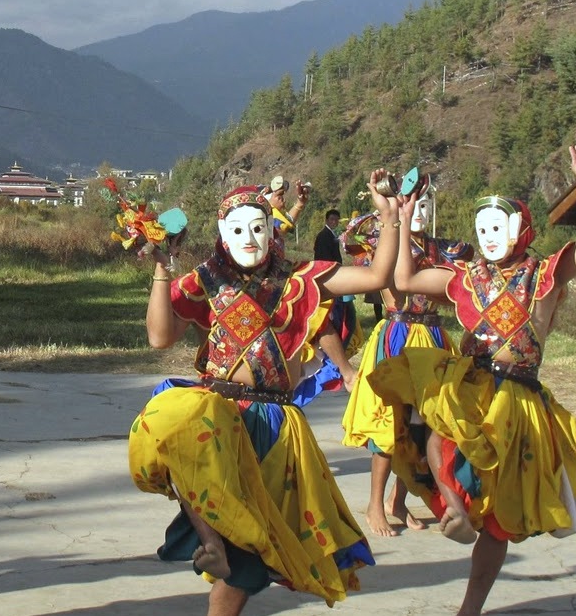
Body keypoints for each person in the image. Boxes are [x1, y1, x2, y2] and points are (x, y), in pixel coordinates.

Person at [128, 172, 407, 614]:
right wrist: (163, 269)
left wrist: (391, 216)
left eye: (258, 227)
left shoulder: (300, 278)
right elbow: (160, 337)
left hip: (275, 423)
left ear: (272, 228)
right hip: (217, 412)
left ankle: (217, 549)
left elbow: (376, 276)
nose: (249, 238)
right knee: (176, 435)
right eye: (237, 229)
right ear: (222, 233)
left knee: (255, 551)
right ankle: (210, 541)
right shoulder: (206, 280)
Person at [366, 145, 576, 616]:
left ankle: (469, 607)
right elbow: (406, 280)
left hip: (519, 398)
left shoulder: (543, 275)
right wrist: (403, 217)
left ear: (519, 230)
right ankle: (453, 506)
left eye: (499, 227)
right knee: (435, 433)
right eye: (484, 228)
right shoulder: (469, 277)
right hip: (473, 384)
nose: (490, 237)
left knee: (498, 519)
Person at [340, 184, 473, 538]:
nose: (420, 210)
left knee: (425, 424)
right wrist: (388, 212)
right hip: (397, 335)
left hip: (433, 337)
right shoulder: (384, 241)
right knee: (389, 423)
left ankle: (399, 501)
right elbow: (348, 240)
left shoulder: (443, 249)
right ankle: (373, 503)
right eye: (415, 203)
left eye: (427, 204)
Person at [315, 208, 361, 350]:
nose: (334, 222)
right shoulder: (324, 236)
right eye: (332, 219)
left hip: (336, 277)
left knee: (346, 315)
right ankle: (339, 347)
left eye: (336, 219)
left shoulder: (332, 235)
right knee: (341, 316)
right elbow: (322, 260)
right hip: (332, 279)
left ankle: (340, 346)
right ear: (327, 220)